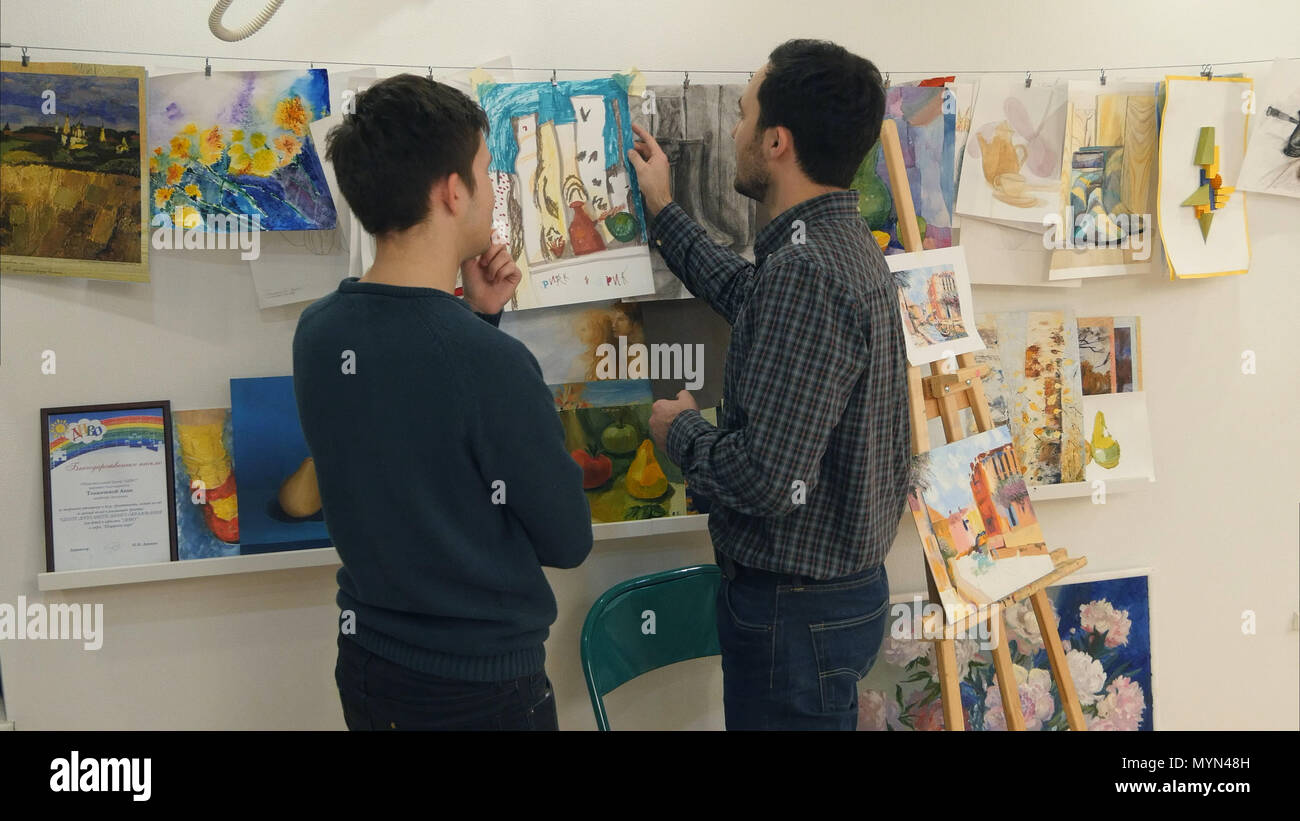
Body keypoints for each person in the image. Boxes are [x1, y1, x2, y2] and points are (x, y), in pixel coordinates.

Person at [293, 74, 593, 730]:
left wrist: (476, 320)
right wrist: (479, 338)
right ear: (453, 190)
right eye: (487, 171)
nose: (491, 189)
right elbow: (568, 538)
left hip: (370, 664)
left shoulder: (318, 332)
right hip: (478, 689)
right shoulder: (488, 365)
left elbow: (411, 435)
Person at [633, 40, 910, 730]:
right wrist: (665, 212)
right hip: (832, 599)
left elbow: (765, 475)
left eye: (743, 114)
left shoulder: (808, 270)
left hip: (797, 613)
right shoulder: (833, 245)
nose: (733, 131)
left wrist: (680, 432)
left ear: (777, 141)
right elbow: (750, 295)